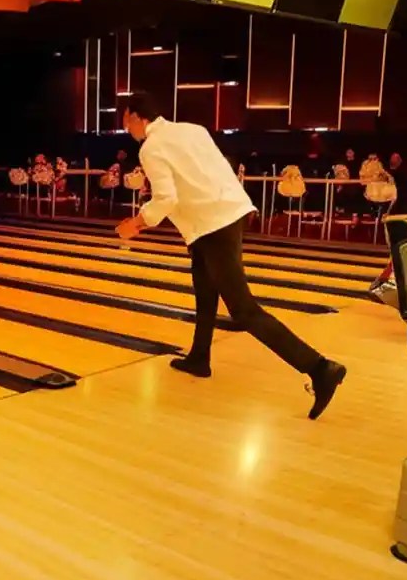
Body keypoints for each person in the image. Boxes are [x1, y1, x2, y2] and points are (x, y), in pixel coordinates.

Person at [113, 92, 346, 420]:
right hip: (228, 214)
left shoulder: (151, 146)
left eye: (126, 122)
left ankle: (320, 368)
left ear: (136, 115)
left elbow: (166, 198)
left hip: (212, 225)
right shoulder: (194, 130)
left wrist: (135, 223)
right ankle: (199, 357)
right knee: (205, 289)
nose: (127, 130)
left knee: (243, 310)